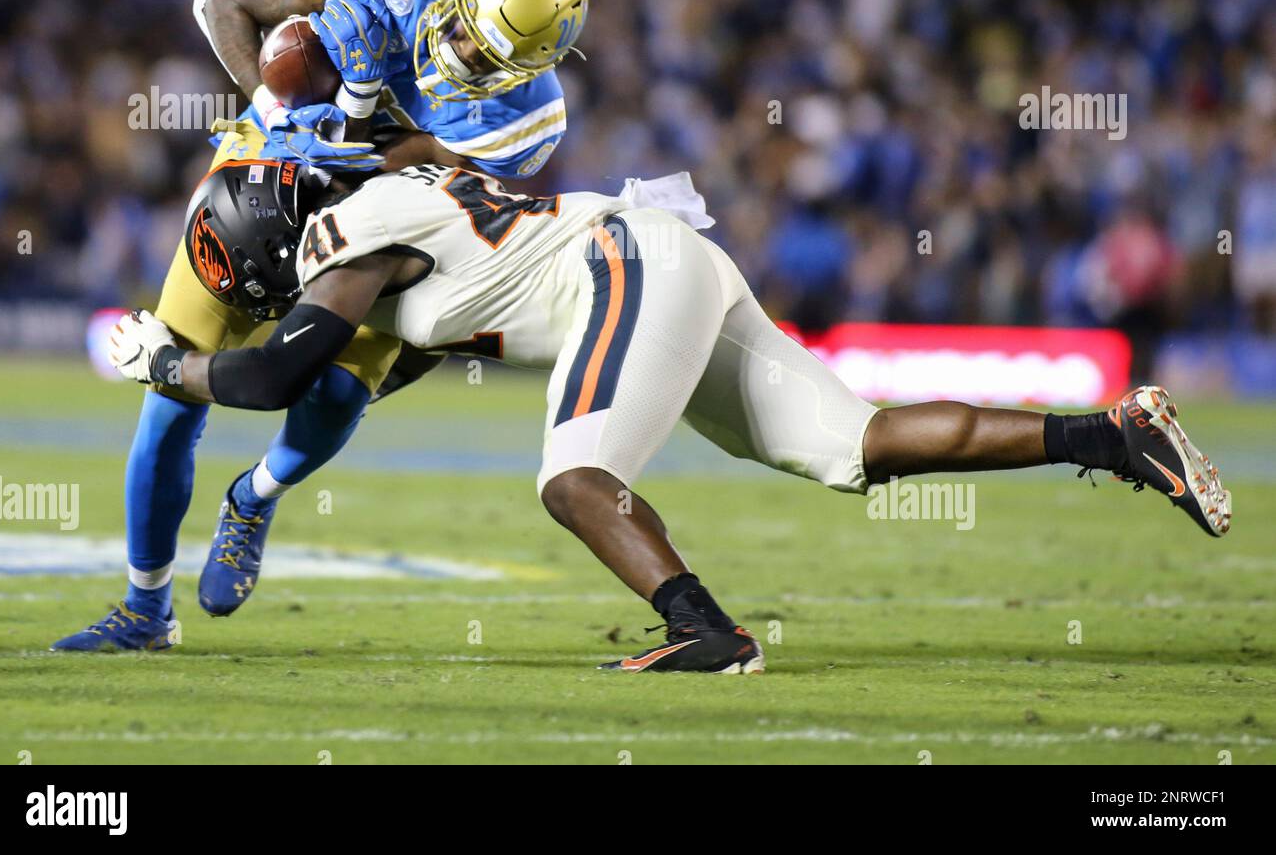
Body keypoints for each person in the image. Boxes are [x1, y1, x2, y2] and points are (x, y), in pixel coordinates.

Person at [100, 157, 1232, 672]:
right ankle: (1108, 433)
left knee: (573, 478)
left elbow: (263, 380)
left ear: (261, 250)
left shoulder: (342, 242)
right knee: (850, 444)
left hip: (623, 267)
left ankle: (704, 627)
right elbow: (412, 344)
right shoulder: (385, 205)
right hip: (655, 256)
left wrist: (165, 363)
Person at [51, 0, 588, 651]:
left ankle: (255, 495)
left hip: (383, 220)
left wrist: (360, 100)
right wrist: (277, 109)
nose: (464, 55)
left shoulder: (527, 121)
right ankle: (145, 610)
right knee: (170, 401)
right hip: (268, 166)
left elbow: (394, 176)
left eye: (491, 58)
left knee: (334, 393)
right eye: (465, 28)